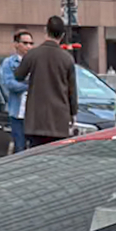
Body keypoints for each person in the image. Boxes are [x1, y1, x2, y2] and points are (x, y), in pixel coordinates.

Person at [21, 16, 80, 146]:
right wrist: (73, 112)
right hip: (59, 122)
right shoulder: (67, 58)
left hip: (36, 120)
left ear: (45, 31)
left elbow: (19, 75)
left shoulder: (33, 54)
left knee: (36, 160)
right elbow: (72, 90)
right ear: (62, 35)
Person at [0, 30, 34, 152]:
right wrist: (29, 86)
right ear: (16, 44)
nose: (28, 46)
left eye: (31, 43)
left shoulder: (35, 61)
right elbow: (10, 84)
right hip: (18, 112)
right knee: (20, 147)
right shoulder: (9, 63)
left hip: (34, 113)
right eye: (25, 43)